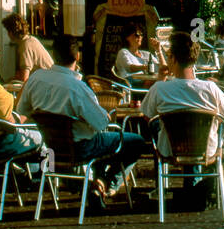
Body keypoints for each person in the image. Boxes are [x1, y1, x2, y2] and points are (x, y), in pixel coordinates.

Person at [16, 34, 149, 202]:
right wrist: (104, 114)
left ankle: (95, 184)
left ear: (54, 55)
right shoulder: (78, 88)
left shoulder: (36, 79)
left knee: (103, 141)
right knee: (135, 141)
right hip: (81, 147)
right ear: (77, 57)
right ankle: (106, 184)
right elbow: (101, 123)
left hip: (51, 148)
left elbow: (22, 110)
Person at [140, 33, 224, 209]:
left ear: (173, 58)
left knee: (156, 124)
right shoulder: (210, 88)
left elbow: (146, 115)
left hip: (170, 148)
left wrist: (161, 79)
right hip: (206, 149)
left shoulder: (160, 88)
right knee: (201, 131)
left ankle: (171, 187)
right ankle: (197, 188)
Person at [1, 13, 53, 83]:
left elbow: (24, 79)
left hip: (46, 84)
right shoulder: (30, 40)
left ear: (11, 32)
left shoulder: (25, 45)